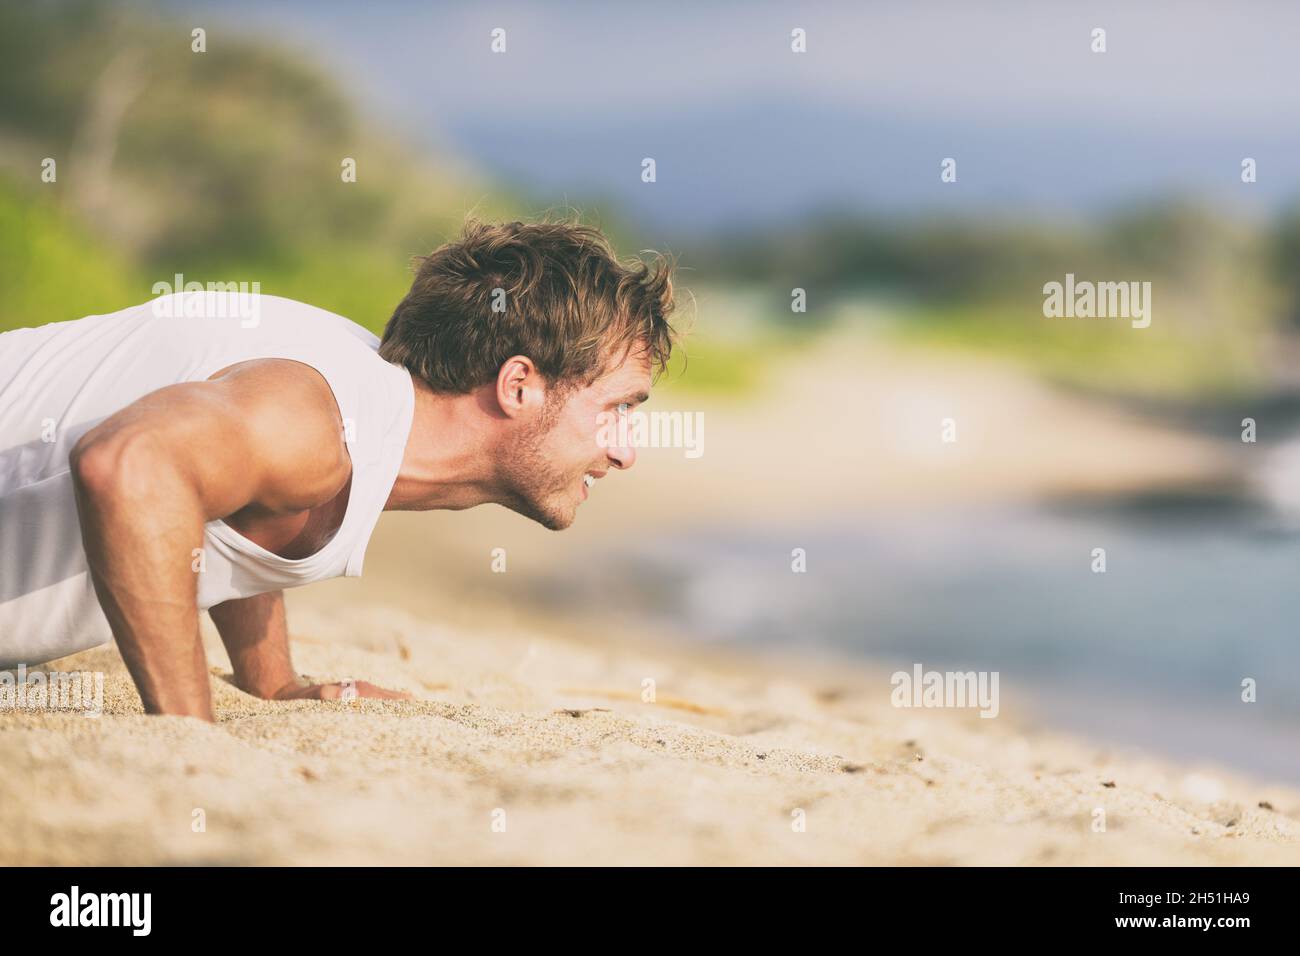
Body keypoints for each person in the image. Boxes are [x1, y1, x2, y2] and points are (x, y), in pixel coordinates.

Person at [0, 218, 678, 720]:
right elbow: (129, 466)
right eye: (616, 407)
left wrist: (272, 681)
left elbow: (228, 493)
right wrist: (188, 732)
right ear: (519, 385)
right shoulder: (313, 415)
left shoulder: (350, 405)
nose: (626, 450)